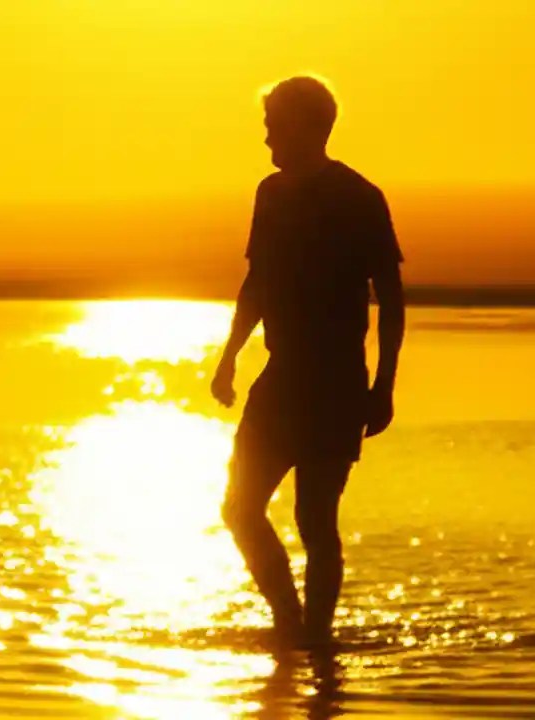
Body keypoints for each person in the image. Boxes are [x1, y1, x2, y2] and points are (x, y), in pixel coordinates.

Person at [211, 76, 406, 649]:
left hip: (337, 384)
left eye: (275, 124)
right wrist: (228, 358)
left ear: (308, 127)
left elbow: (391, 298)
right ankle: (291, 626)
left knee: (315, 522)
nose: (267, 136)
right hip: (280, 380)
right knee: (240, 508)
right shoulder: (270, 194)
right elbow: (256, 282)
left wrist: (384, 385)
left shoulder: (358, 197)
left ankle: (315, 637)